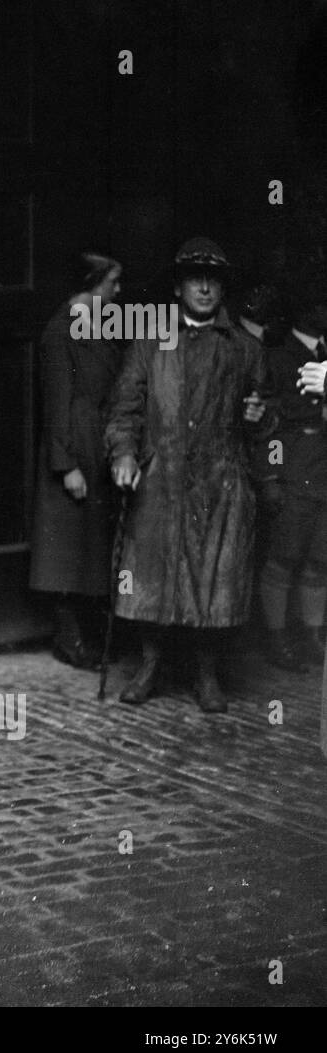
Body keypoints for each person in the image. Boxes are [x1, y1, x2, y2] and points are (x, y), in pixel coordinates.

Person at [106, 238, 273, 712]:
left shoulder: (245, 349)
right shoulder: (150, 340)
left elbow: (267, 416)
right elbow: (126, 406)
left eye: (213, 278)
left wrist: (261, 416)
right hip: (161, 477)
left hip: (222, 481)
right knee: (153, 577)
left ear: (222, 287)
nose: (203, 286)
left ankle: (206, 673)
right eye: (194, 278)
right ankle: (150, 665)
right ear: (178, 286)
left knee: (215, 578)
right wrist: (123, 454)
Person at [29, 251, 126, 668]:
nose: (119, 291)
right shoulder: (60, 332)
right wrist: (65, 465)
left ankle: (90, 637)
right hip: (73, 447)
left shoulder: (100, 327)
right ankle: (70, 640)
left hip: (96, 444)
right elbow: (56, 402)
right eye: (114, 283)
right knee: (67, 553)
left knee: (90, 549)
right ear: (93, 284)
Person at [258, 273, 327, 670]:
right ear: (308, 310)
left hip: (325, 471)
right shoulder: (279, 356)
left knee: (320, 558)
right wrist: (270, 477)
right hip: (295, 467)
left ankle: (312, 636)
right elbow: (270, 426)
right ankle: (277, 639)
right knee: (283, 558)